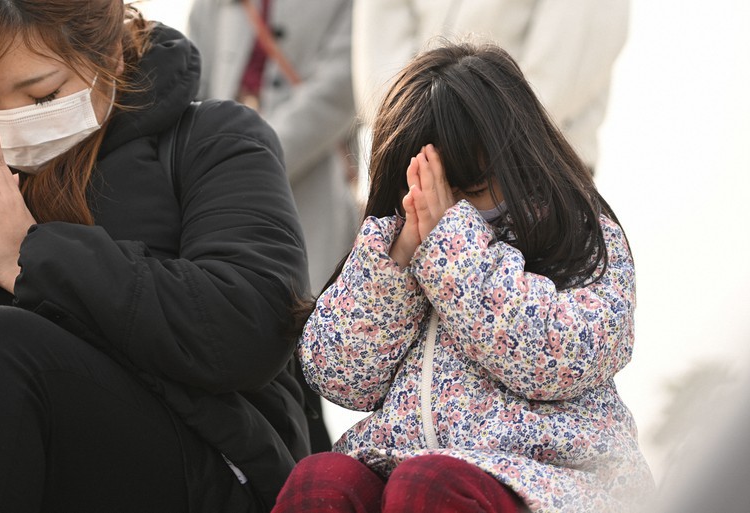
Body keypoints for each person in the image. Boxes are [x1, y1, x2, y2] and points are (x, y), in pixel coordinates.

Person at [0, 1, 310, 512]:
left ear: (112, 55)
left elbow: (250, 326)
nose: (10, 122)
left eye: (41, 96)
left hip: (210, 456)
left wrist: (36, 259)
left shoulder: (215, 139)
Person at [273, 42, 654, 512]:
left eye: (469, 189)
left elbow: (561, 359)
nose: (441, 205)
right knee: (321, 481)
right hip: (401, 466)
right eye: (427, 186)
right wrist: (397, 260)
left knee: (430, 484)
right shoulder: (397, 245)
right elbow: (339, 375)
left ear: (516, 156)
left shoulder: (576, 233)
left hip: (545, 480)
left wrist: (453, 248)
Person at [187, 0, 359, 452]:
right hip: (215, 198)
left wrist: (246, 159)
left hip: (305, 188)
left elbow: (341, 86)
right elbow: (194, 81)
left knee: (300, 361)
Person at [352, 0, 630, 174]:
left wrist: (456, 153)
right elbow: (379, 79)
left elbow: (553, 86)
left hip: (532, 183)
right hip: (413, 180)